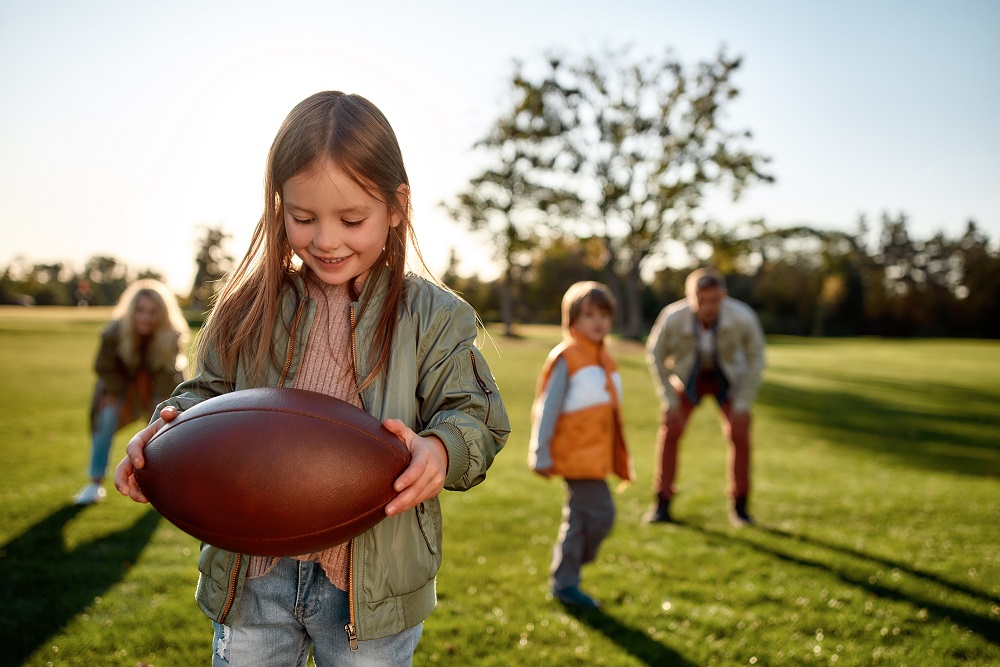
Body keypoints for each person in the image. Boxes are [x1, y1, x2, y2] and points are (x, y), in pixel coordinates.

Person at [114, 91, 510, 666]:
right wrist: (166, 431)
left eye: (351, 220)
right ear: (280, 206)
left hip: (370, 588)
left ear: (396, 206)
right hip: (254, 575)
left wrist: (442, 449)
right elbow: (205, 397)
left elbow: (476, 414)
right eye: (303, 218)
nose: (326, 240)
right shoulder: (247, 306)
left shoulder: (432, 316)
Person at [529, 281, 632, 608]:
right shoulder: (568, 357)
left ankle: (565, 581)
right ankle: (568, 573)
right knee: (602, 514)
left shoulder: (605, 359)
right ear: (571, 320)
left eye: (604, 314)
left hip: (594, 456)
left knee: (580, 519)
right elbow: (547, 407)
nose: (598, 322)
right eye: (589, 315)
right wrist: (540, 452)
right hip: (575, 455)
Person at [645, 268, 765, 526]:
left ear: (724, 296)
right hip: (688, 378)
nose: (708, 307)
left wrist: (742, 403)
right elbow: (655, 354)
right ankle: (662, 503)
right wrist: (670, 399)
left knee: (740, 432)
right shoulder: (673, 317)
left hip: (729, 380)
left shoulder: (742, 316)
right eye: (701, 300)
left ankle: (740, 506)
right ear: (690, 297)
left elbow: (756, 358)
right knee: (670, 429)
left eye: (714, 300)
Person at [74, 279, 189, 505]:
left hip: (158, 387)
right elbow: (104, 368)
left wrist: (164, 404)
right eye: (141, 310)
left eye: (153, 311)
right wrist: (115, 394)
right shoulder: (113, 333)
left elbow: (170, 377)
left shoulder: (171, 335)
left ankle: (170, 482)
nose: (146, 317)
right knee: (106, 416)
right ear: (131, 310)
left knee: (167, 424)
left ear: (163, 313)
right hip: (119, 388)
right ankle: (95, 483)